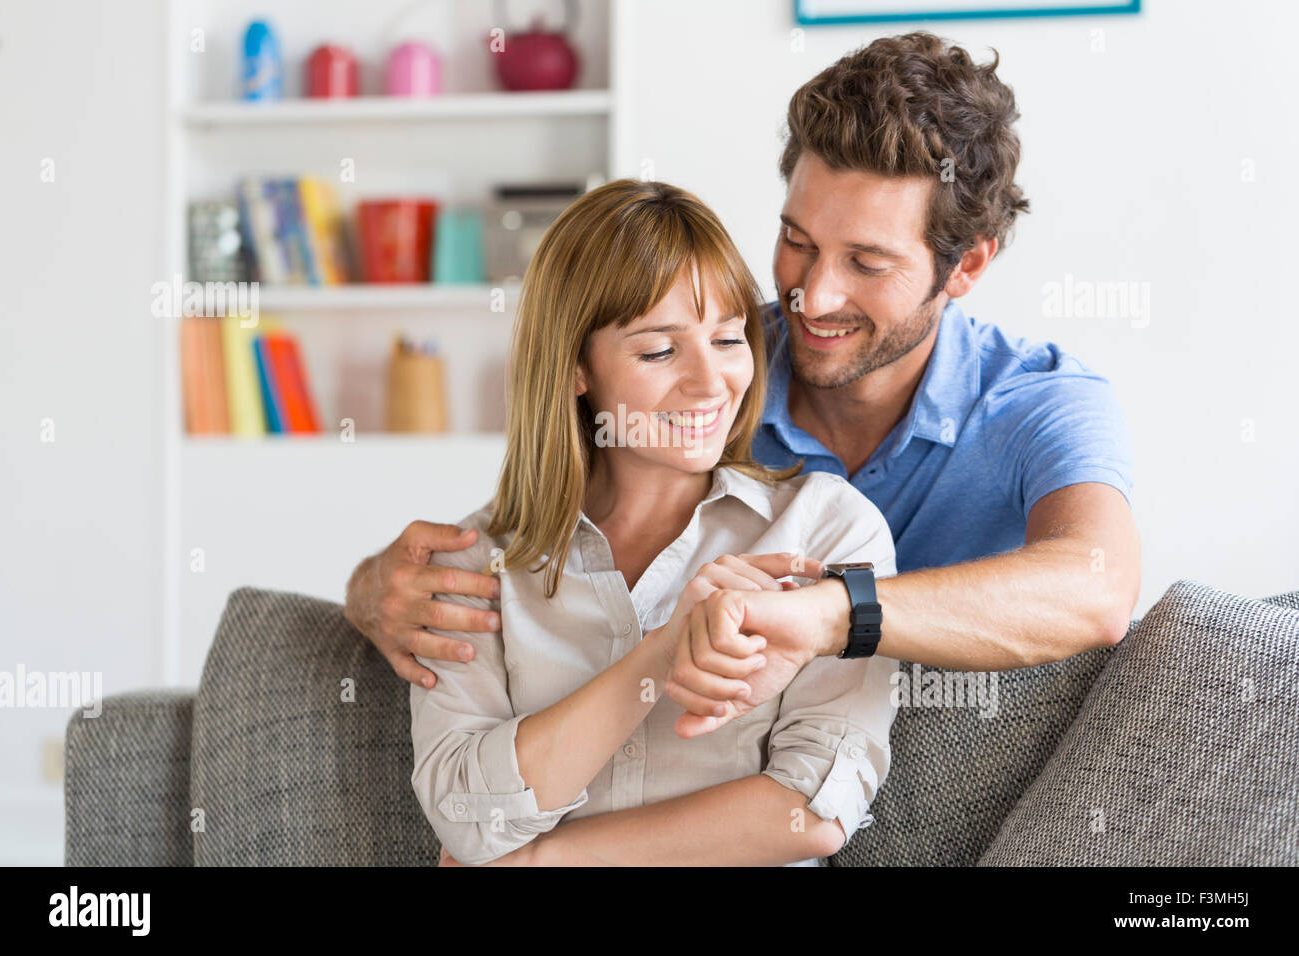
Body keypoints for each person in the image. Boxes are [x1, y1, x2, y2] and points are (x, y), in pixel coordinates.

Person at [348, 33, 1139, 734]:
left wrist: (830, 614)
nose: (812, 296)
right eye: (797, 241)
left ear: (965, 265)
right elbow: (539, 526)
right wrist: (368, 587)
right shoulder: (714, 367)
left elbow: (1097, 590)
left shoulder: (1041, 401)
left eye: (867, 262)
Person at [411, 178, 898, 866]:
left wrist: (538, 860)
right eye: (659, 351)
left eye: (729, 339)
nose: (709, 382)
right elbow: (462, 809)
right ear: (577, 367)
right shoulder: (473, 563)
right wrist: (665, 651)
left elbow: (814, 806)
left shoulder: (827, 531)